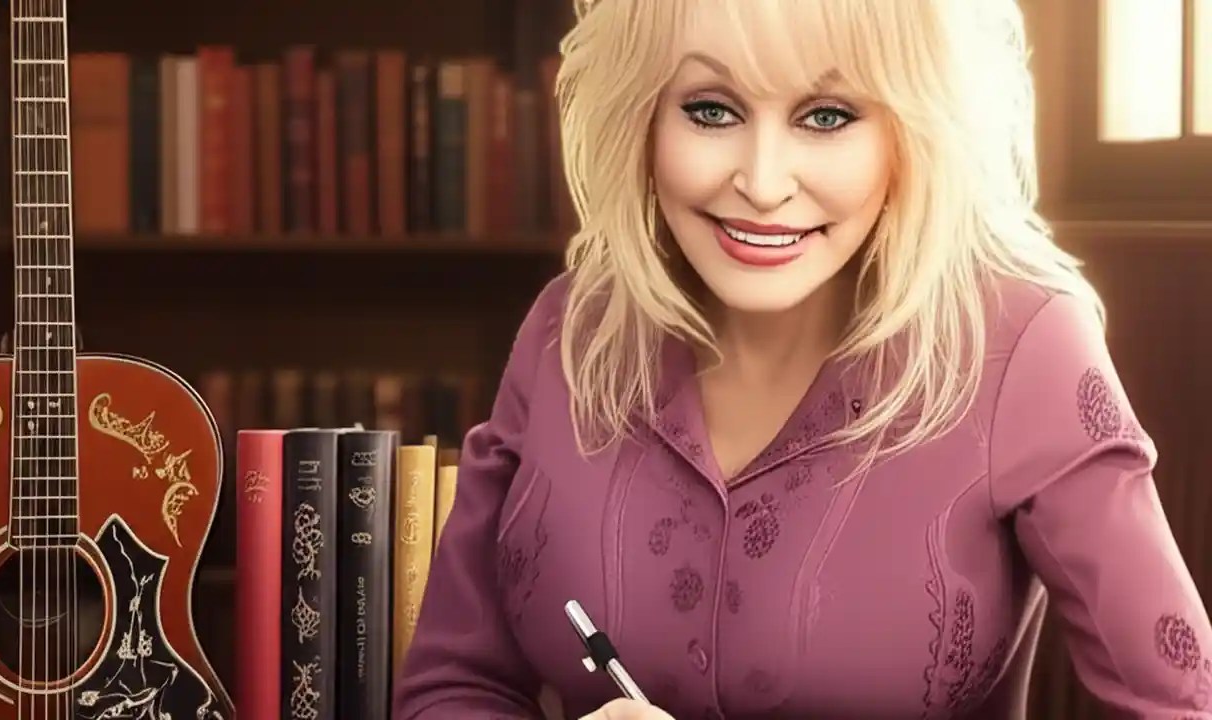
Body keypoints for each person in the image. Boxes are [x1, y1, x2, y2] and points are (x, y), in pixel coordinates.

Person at [393, 0, 1212, 717]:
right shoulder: (568, 330)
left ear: (913, 125)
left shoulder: (1024, 344)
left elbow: (1184, 703)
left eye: (827, 116)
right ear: (642, 113)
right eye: (710, 110)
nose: (762, 181)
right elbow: (450, 686)